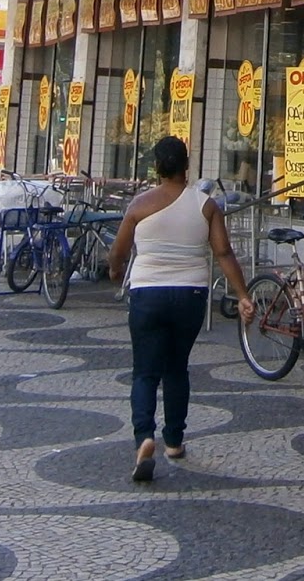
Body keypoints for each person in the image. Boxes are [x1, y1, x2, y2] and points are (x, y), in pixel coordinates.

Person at [109, 136, 254, 483]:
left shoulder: (139, 205)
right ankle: (174, 440)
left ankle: (144, 437)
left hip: (147, 294)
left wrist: (115, 271)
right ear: (186, 166)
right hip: (190, 294)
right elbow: (223, 252)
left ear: (157, 167)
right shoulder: (206, 206)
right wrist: (242, 294)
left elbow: (119, 253)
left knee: (145, 372)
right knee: (176, 368)